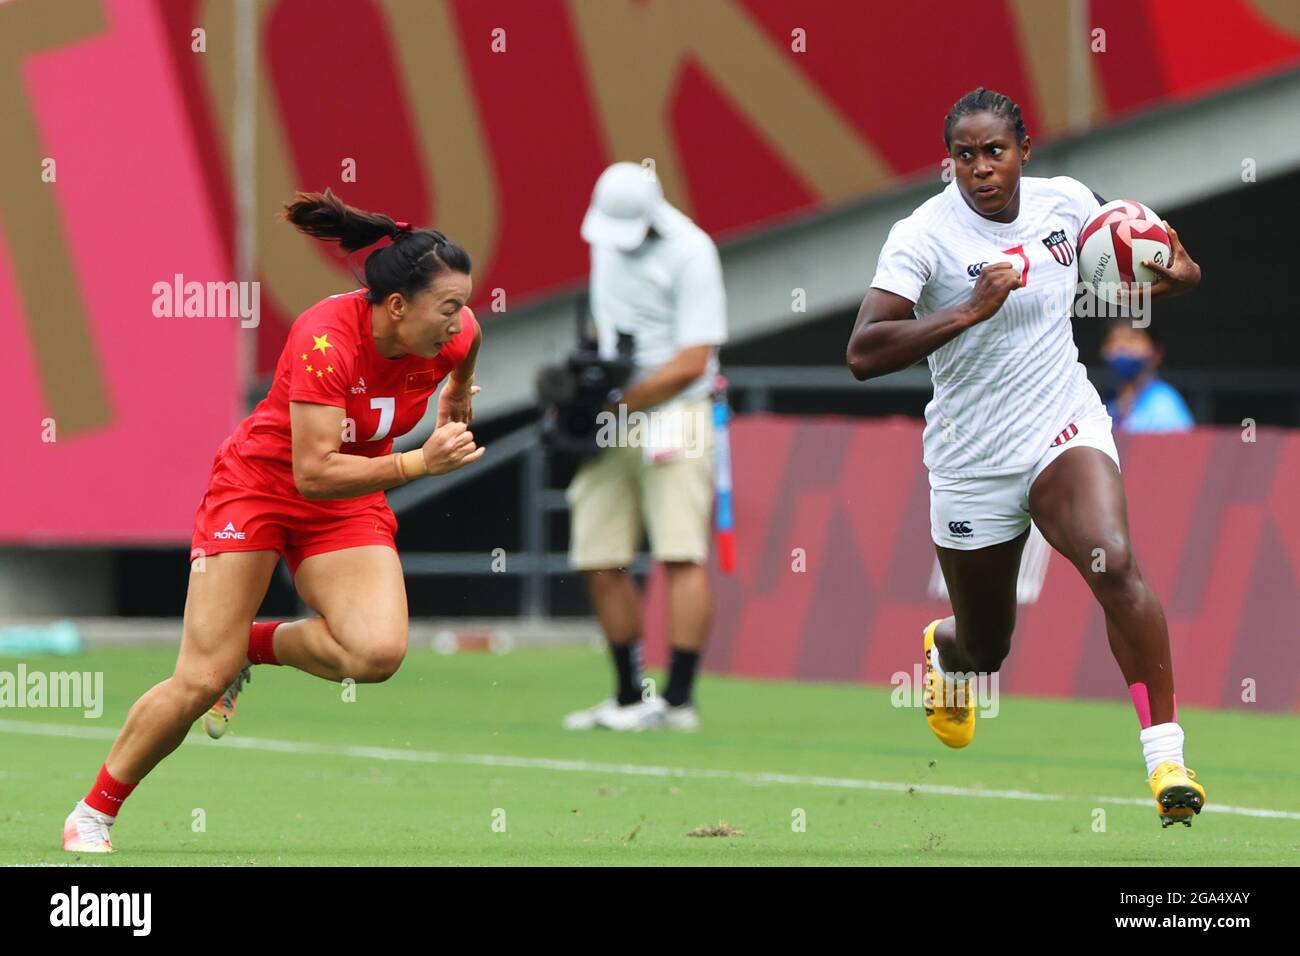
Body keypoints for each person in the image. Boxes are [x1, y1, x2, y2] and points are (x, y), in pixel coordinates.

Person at [62, 189, 485, 853]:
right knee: (199, 678)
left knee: (375, 654)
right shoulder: (325, 340)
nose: (459, 321)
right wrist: (418, 464)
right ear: (397, 305)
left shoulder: (455, 334)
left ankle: (249, 648)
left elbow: (461, 366)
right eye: (448, 306)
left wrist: (455, 405)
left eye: (464, 305)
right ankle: (92, 813)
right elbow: (313, 471)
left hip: (346, 502)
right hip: (259, 489)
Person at [846, 88, 1207, 827]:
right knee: (986, 647)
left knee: (1115, 560)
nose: (981, 169)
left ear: (1025, 151)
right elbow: (862, 352)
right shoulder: (921, 236)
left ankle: (1165, 757)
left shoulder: (1067, 203)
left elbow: (1152, 262)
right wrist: (968, 310)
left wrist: (1176, 274)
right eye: (966, 156)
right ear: (950, 162)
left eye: (995, 152)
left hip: (1061, 428)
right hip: (972, 460)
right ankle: (946, 654)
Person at [562, 162, 728, 732]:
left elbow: (692, 360)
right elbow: (608, 328)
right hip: (615, 409)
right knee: (599, 556)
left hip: (676, 414)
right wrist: (583, 388)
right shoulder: (606, 241)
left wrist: (615, 405)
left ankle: (677, 702)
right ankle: (631, 696)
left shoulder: (691, 250)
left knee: (680, 554)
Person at [1100, 319, 1195, 433]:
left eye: (1132, 339)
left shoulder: (1164, 404)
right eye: (1112, 340)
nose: (1121, 347)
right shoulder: (1104, 403)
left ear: (1157, 352)